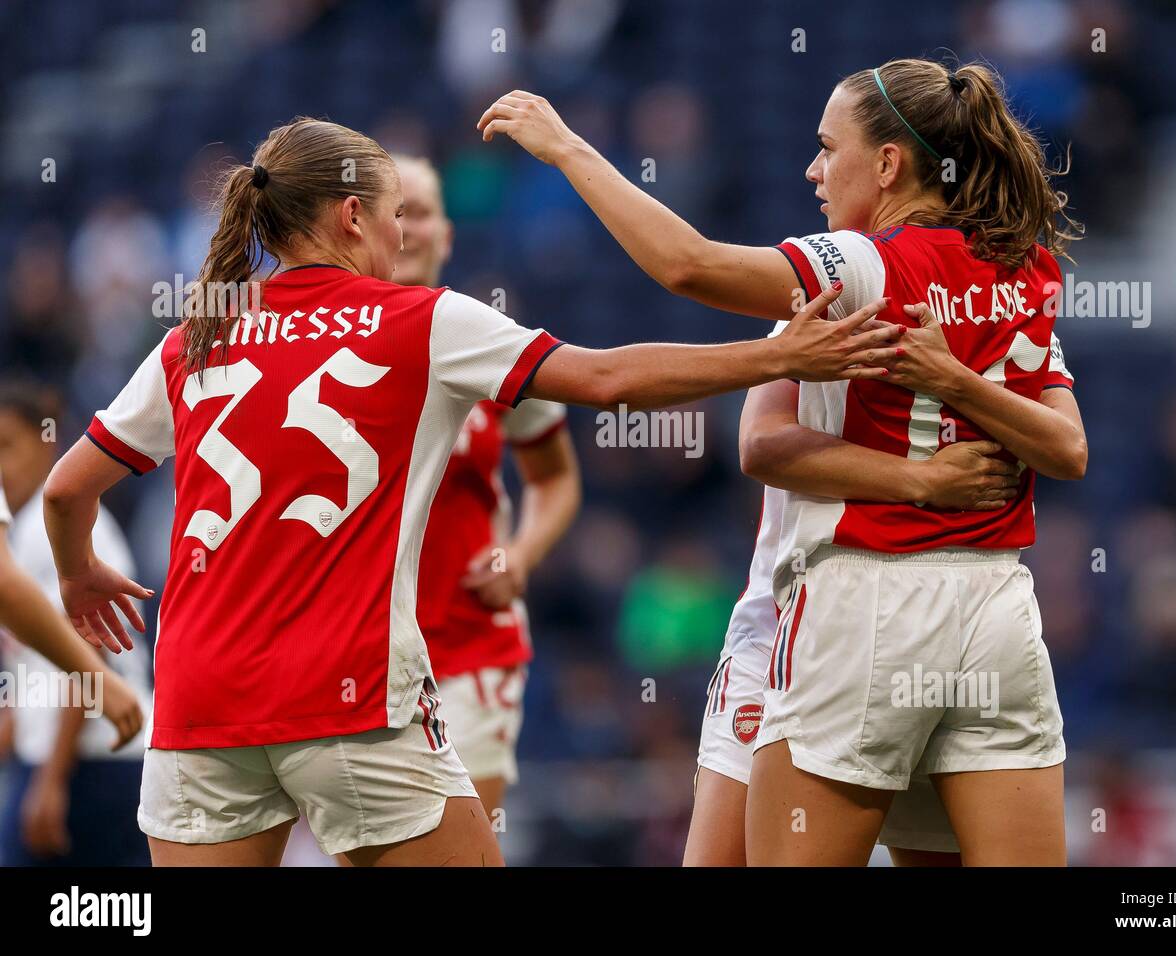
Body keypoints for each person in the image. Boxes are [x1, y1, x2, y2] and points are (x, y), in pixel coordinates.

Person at [41, 117, 899, 867]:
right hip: (350, 701)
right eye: (392, 219)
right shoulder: (420, 320)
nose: (399, 239)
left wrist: (78, 573)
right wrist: (777, 356)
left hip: (198, 701)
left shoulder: (201, 333)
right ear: (351, 217)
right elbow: (604, 380)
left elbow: (67, 489)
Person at [479, 56, 1086, 865]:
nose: (813, 168)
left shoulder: (852, 270)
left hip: (860, 599)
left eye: (827, 148)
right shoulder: (1025, 269)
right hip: (998, 607)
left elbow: (687, 265)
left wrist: (567, 149)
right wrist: (952, 407)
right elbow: (1070, 449)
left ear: (889, 163)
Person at [398, 154, 581, 822]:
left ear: (447, 235)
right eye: (390, 214)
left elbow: (554, 477)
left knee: (459, 843)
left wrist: (519, 554)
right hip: (354, 647)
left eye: (418, 212)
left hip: (468, 643)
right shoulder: (328, 354)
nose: (405, 230)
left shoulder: (485, 344)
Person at [0, 383, 152, 865]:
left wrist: (50, 780)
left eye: (7, 446)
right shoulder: (24, 528)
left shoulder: (66, 525)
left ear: (47, 444)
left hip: (93, 761)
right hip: (64, 758)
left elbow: (95, 642)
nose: (1, 465)